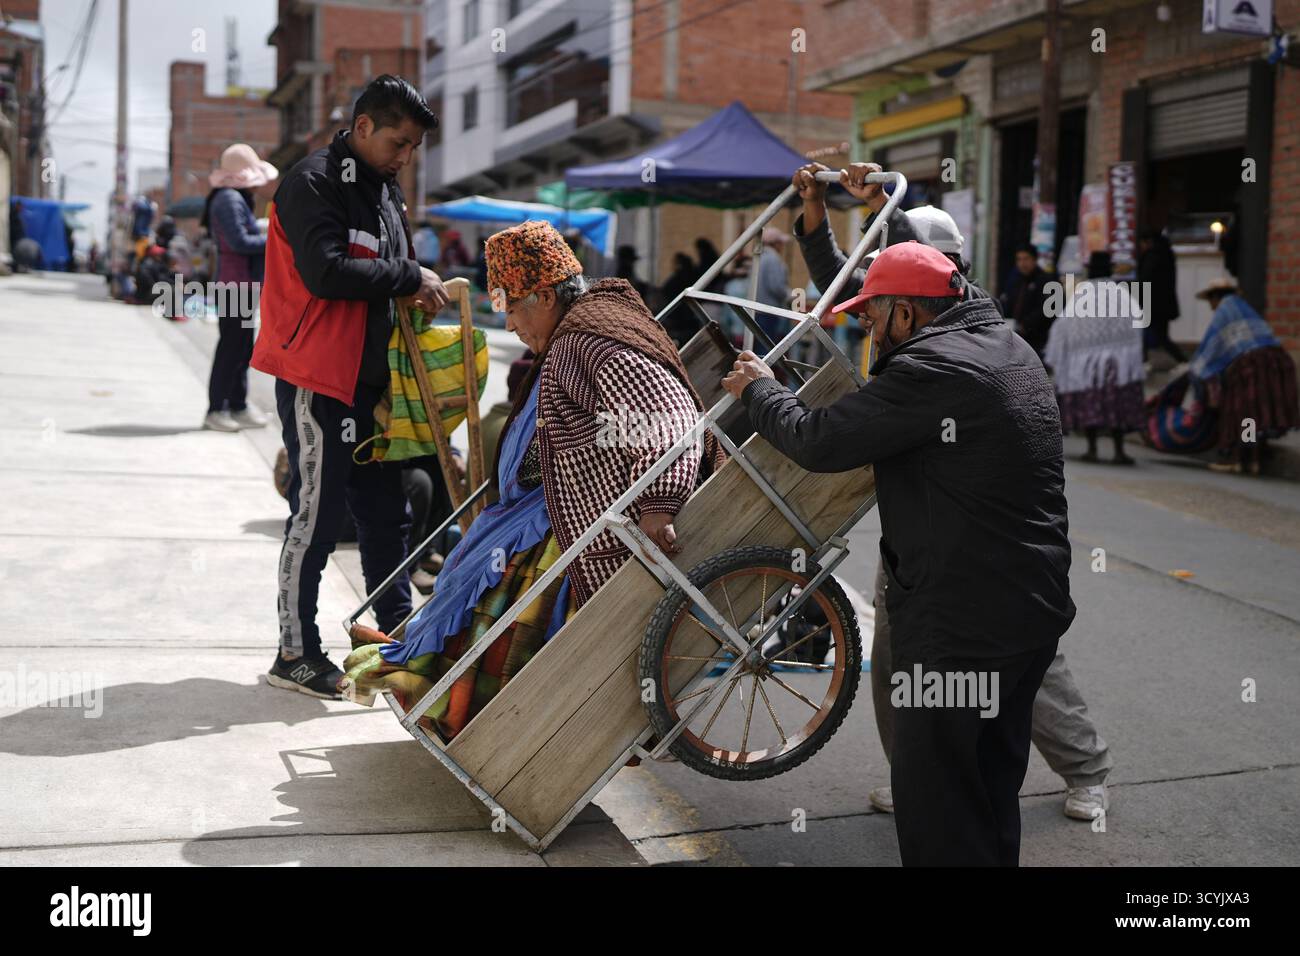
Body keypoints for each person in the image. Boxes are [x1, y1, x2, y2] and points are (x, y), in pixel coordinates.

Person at [723, 240, 1075, 866]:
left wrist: (762, 390)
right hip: (1030, 612)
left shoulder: (931, 370)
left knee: (939, 799)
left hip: (961, 627)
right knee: (990, 784)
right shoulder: (1006, 345)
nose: (868, 330)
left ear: (907, 315)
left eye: (872, 317)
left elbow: (820, 439)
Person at [790, 161, 1112, 825]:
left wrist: (882, 201)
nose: (874, 309)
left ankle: (1085, 770)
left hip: (986, 541)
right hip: (928, 521)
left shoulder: (965, 328)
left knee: (1021, 672)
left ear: (946, 273)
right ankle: (920, 771)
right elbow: (849, 280)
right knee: (903, 654)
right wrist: (818, 211)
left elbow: (820, 439)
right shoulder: (912, 309)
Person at [340, 219, 726, 738]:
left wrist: (659, 500)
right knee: (466, 570)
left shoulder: (595, 338)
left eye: (509, 306)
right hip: (557, 507)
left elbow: (665, 418)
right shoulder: (576, 332)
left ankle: (500, 737)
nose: (509, 326)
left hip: (587, 525)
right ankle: (466, 714)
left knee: (495, 605)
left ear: (543, 295)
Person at [251, 74, 448, 698]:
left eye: (413, 147)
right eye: (398, 141)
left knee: (384, 513)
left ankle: (394, 634)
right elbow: (326, 271)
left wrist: (413, 293)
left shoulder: (386, 192)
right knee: (316, 514)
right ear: (362, 127)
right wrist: (409, 273)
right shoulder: (310, 183)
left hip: (370, 381)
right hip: (316, 377)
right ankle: (295, 653)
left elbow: (388, 280)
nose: (405, 157)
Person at [199, 144, 277, 429]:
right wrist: (273, 239)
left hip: (239, 285)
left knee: (242, 348)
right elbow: (239, 242)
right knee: (232, 348)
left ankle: (237, 405)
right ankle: (217, 409)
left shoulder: (228, 199)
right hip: (235, 286)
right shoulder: (230, 200)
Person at [1044, 251, 1146, 465]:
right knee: (1117, 404)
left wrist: (1062, 356)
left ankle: (1092, 448)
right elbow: (1137, 323)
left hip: (1085, 367)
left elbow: (1062, 326)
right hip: (1119, 364)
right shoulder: (1122, 295)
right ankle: (1119, 450)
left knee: (1089, 402)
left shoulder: (1081, 296)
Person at [1190, 278, 1300, 474]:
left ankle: (1239, 460)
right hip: (1276, 361)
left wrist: (1197, 370)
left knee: (1245, 415)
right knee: (1258, 413)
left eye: (1210, 301)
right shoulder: (1245, 308)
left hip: (1250, 365)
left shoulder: (1224, 311)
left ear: (1216, 296)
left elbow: (1211, 348)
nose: (1211, 306)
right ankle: (1255, 461)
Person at [1137, 228, 1185, 364]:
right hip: (1163, 304)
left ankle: (1182, 361)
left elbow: (1145, 280)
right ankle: (1143, 362)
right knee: (1157, 336)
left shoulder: (1152, 256)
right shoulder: (1166, 254)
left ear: (1148, 242)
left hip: (1151, 304)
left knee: (1155, 337)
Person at [1000, 243, 1052, 356]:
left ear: (1034, 260)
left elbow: (1048, 310)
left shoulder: (1046, 281)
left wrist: (1026, 324)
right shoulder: (1015, 280)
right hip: (1015, 339)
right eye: (1019, 259)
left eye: (1026, 259)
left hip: (1038, 341)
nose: (1022, 263)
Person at [658, 250, 701, 346]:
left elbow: (665, 293)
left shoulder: (675, 280)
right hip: (689, 318)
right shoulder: (693, 278)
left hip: (678, 319)